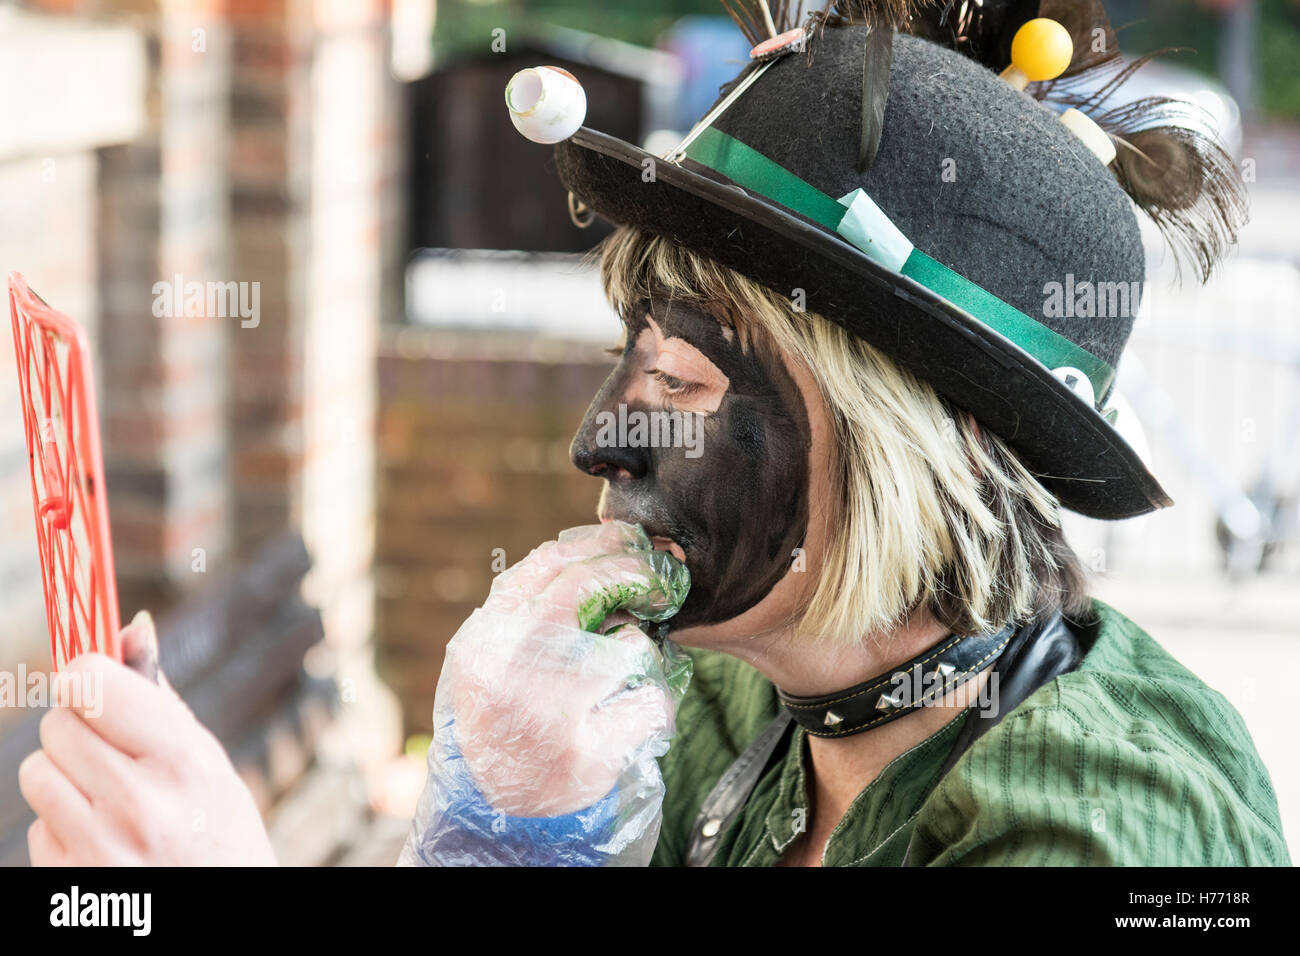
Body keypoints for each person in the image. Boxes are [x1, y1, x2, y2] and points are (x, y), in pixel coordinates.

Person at [19, 2, 1292, 866]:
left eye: (680, 377)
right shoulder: (723, 696)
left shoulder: (1119, 831)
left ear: (922, 440)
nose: (597, 441)